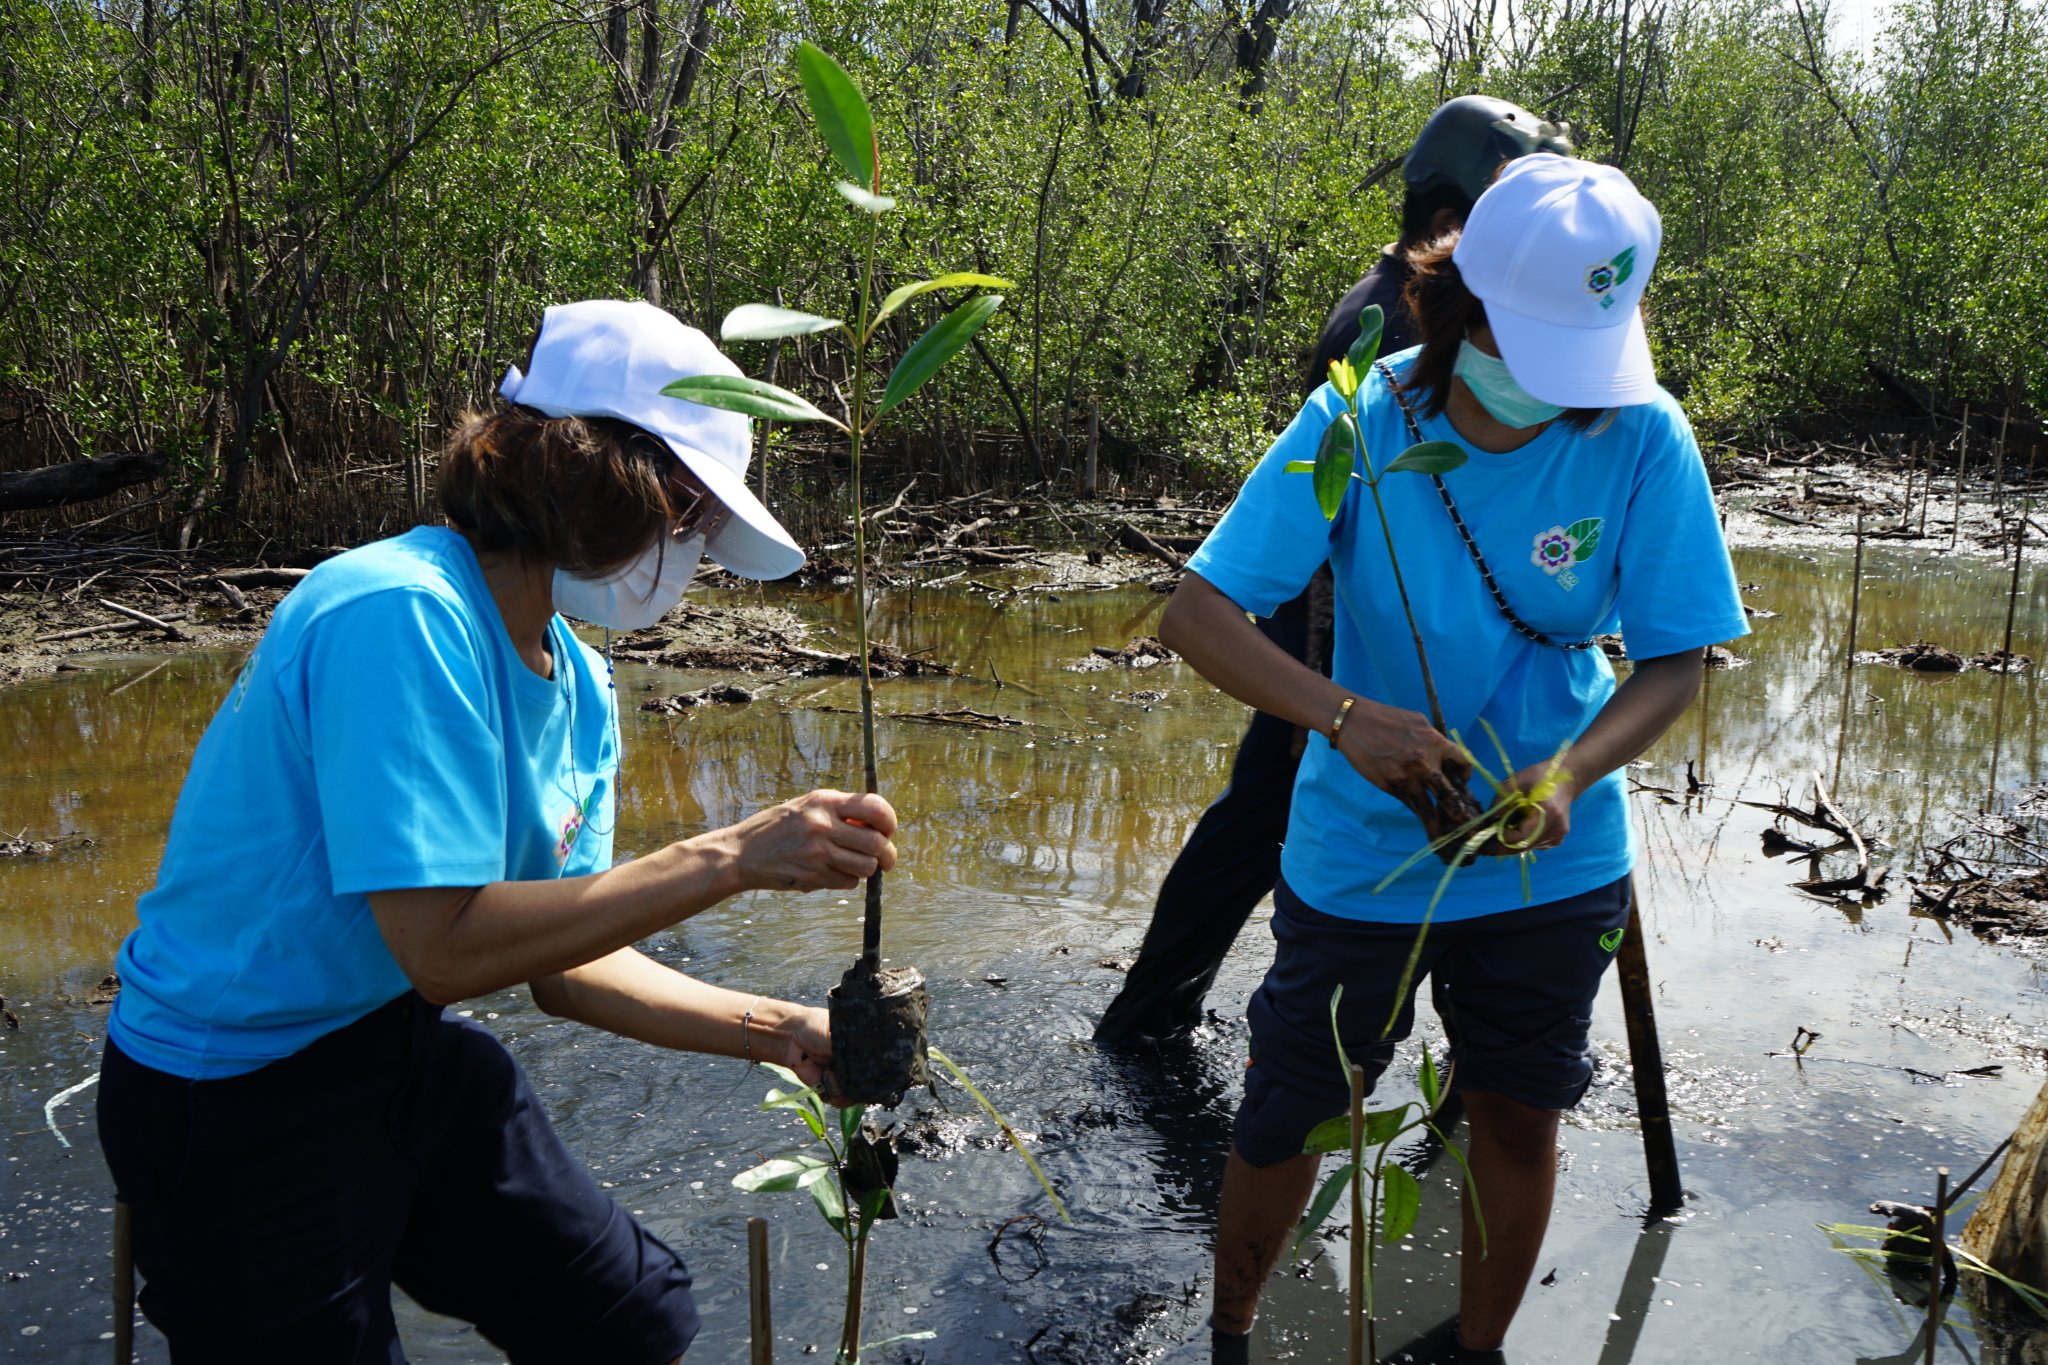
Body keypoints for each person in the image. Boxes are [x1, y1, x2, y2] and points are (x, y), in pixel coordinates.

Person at [96, 300, 895, 1363]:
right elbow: (442, 949)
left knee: (627, 1319)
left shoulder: (583, 685)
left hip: (390, 1051)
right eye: (689, 516)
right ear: (611, 484)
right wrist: (729, 857)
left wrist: (776, 1030)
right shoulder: (397, 609)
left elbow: (570, 963)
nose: (687, 550)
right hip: (230, 1098)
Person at [1162, 156, 1748, 1364]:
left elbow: (1676, 658)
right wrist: (1340, 718)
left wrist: (1569, 776)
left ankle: (1473, 1353)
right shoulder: (1361, 421)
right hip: (1358, 850)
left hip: (1550, 854)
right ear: (1456, 302)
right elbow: (1198, 615)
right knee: (1291, 1110)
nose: (1552, 388)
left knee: (1515, 1116)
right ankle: (1231, 1336)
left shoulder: (1640, 433)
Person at [1096, 96, 1572, 1049]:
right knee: (1262, 826)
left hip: (1362, 646)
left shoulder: (1426, 300)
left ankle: (1168, 1020)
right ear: (1457, 213)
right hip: (1336, 644)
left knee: (1254, 826)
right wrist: (1330, 699)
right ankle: (1156, 1027)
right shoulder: (1392, 319)